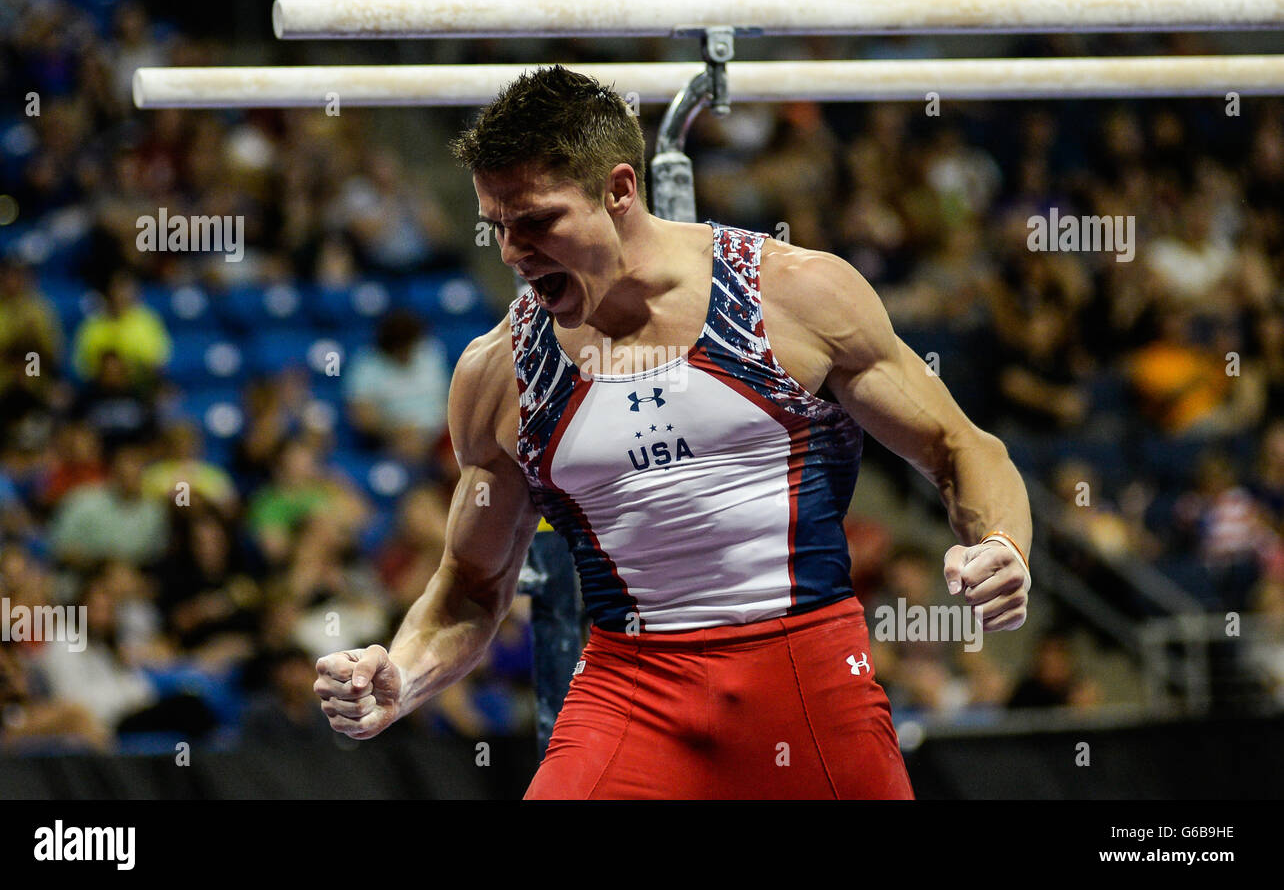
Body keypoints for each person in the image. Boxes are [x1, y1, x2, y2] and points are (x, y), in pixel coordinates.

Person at [314, 65, 1033, 799]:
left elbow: (961, 447)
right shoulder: (500, 375)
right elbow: (471, 584)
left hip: (808, 680)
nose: (511, 252)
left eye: (536, 222)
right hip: (631, 695)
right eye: (497, 226)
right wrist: (402, 672)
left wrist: (1002, 543)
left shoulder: (792, 297)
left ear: (620, 190)